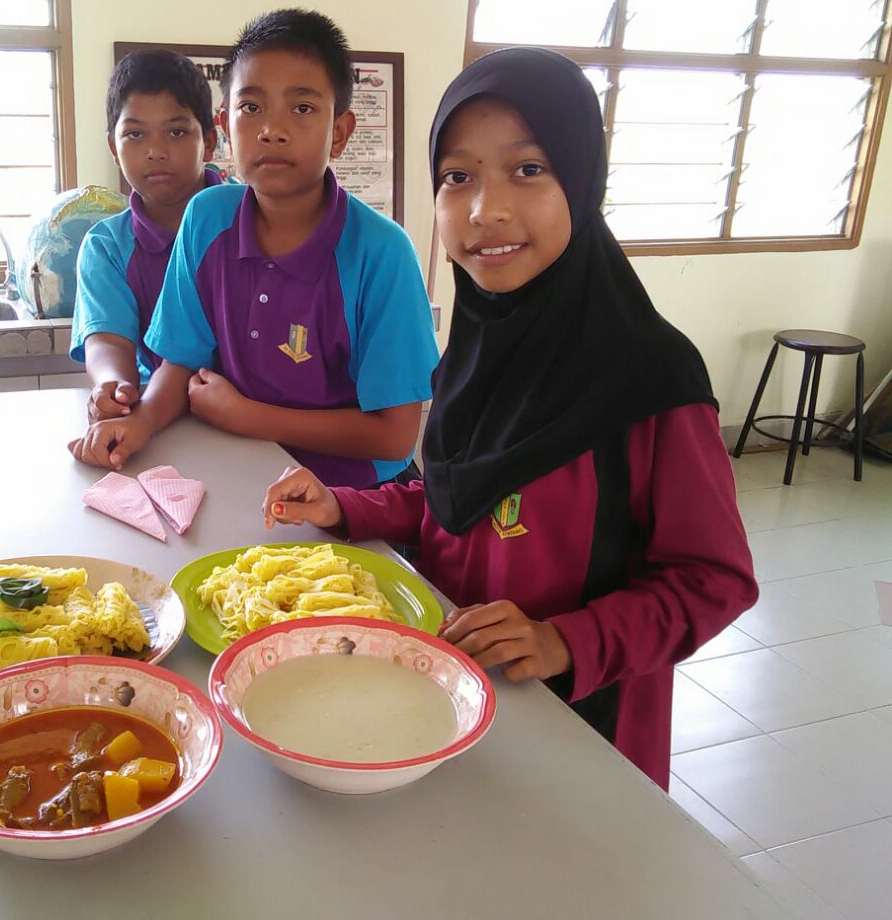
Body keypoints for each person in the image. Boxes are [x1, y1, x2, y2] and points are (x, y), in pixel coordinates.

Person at [261, 47, 757, 789]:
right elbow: (451, 502)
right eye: (457, 177)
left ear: (583, 181)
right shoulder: (475, 349)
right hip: (445, 695)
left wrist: (566, 639)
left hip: (579, 726)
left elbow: (714, 578)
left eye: (528, 170)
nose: (484, 209)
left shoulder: (653, 378)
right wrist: (346, 506)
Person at [69, 9, 438, 489]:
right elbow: (180, 362)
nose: (271, 130)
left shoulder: (382, 252)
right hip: (242, 477)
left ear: (341, 133)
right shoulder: (207, 219)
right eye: (252, 108)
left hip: (354, 498)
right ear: (224, 126)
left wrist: (250, 417)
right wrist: (139, 423)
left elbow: (394, 437)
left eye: (302, 108)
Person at [70, 50, 222, 423]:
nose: (155, 151)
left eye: (176, 131)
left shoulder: (249, 221)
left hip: (256, 420)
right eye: (135, 134)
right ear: (114, 149)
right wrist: (113, 385)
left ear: (210, 140)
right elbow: (107, 337)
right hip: (156, 419)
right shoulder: (106, 247)